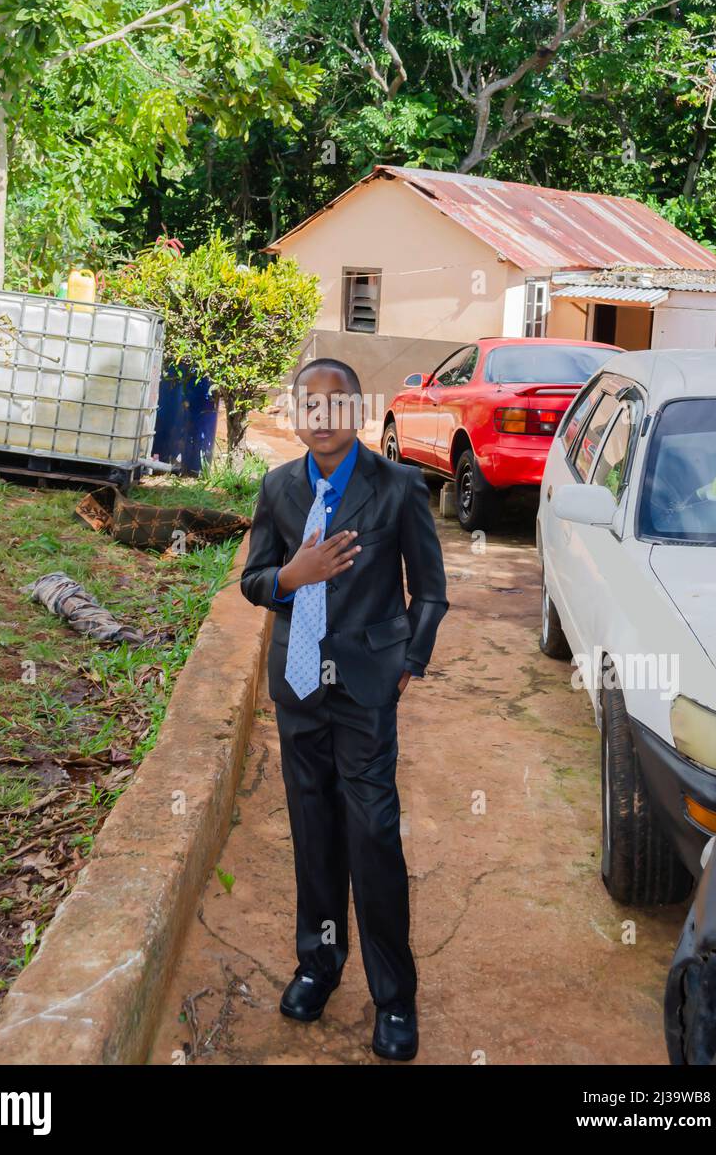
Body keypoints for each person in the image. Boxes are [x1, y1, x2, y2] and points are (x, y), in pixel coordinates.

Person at [240, 357, 449, 1061]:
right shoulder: (277, 488)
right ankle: (317, 965)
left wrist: (408, 663)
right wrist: (290, 579)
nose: (321, 419)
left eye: (336, 406)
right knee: (313, 830)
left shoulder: (396, 488)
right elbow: (254, 579)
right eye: (309, 406)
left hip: (364, 690)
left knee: (372, 837)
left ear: (358, 412)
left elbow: (430, 591)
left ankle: (394, 997)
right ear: (295, 415)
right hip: (297, 687)